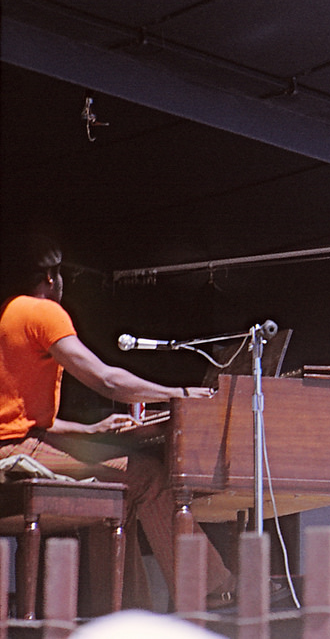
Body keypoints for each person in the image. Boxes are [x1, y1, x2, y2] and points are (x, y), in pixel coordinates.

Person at [0, 237, 234, 610]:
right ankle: (210, 591)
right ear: (50, 276)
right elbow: (106, 380)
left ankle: (124, 612)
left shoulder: (8, 313)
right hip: (15, 451)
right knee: (147, 477)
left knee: (122, 488)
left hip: (16, 445)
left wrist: (90, 430)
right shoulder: (41, 311)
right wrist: (178, 392)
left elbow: (20, 420)